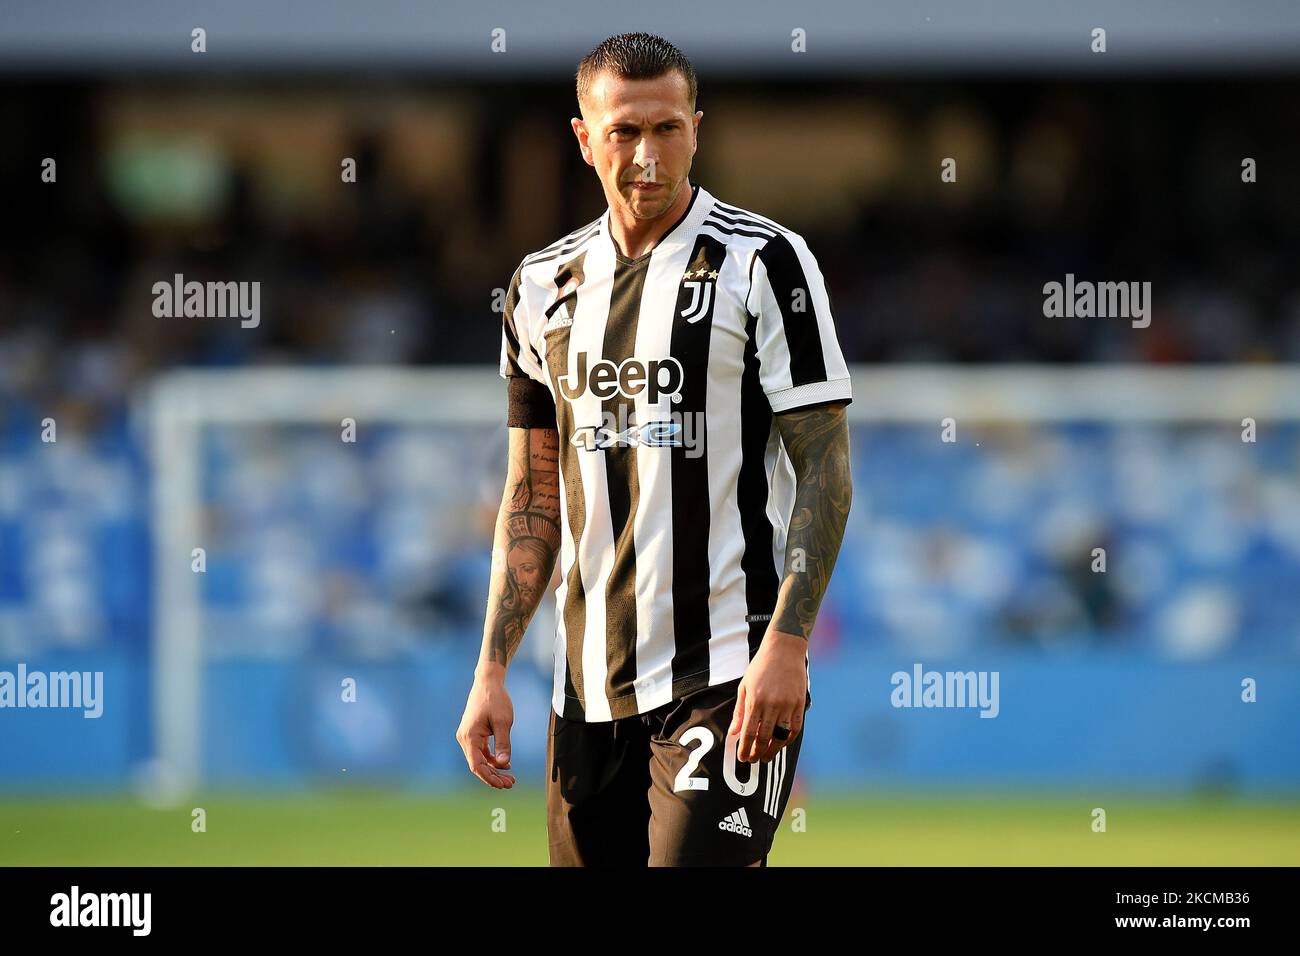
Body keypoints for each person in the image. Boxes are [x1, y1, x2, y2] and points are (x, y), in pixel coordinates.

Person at [455, 31, 853, 866]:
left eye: (668, 128)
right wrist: (491, 668)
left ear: (696, 129)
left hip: (726, 671)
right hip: (584, 691)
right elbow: (533, 494)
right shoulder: (539, 287)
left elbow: (825, 461)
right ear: (583, 136)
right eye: (624, 131)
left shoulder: (764, 263)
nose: (647, 154)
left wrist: (787, 645)